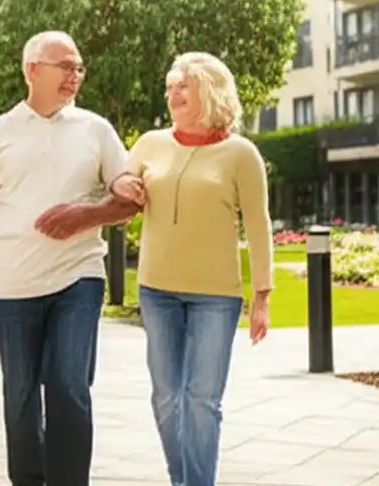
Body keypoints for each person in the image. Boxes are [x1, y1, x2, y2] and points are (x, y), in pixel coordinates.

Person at [0, 30, 141, 486]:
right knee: (19, 396)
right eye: (66, 66)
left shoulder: (97, 130)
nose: (74, 76)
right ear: (32, 69)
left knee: (67, 386)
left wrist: (87, 213)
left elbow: (130, 198)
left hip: (78, 277)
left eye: (79, 68)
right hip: (12, 286)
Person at [108, 51, 273, 486]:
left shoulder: (241, 154)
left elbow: (258, 225)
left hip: (215, 296)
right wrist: (119, 182)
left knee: (202, 399)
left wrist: (262, 296)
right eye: (169, 87)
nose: (172, 94)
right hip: (156, 290)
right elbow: (121, 183)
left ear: (210, 90)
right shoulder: (150, 143)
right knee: (166, 397)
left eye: (183, 85)